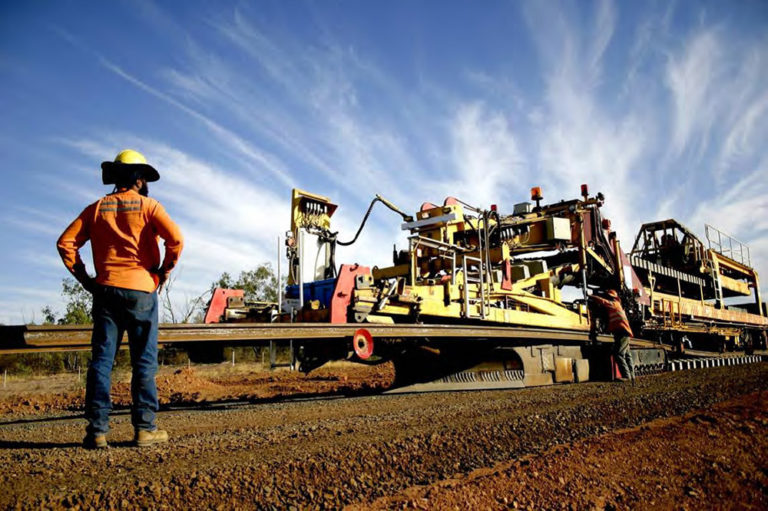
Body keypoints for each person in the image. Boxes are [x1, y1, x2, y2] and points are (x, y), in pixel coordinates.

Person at [57, 149, 183, 449]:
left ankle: (97, 431)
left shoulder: (96, 209)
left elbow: (65, 244)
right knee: (144, 361)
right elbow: (176, 240)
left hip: (106, 292)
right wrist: (163, 272)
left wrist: (87, 281)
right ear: (139, 179)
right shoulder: (149, 206)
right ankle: (144, 429)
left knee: (102, 361)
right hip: (142, 290)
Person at [590, 289, 634, 382]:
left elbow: (603, 302)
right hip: (622, 333)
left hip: (622, 333)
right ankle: (632, 376)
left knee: (619, 354)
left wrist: (591, 296)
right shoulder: (618, 305)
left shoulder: (614, 304)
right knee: (627, 354)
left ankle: (627, 376)